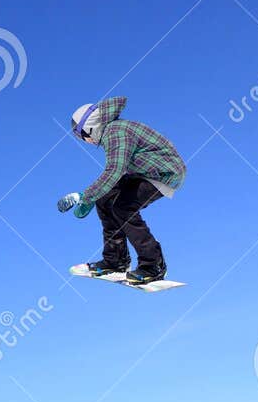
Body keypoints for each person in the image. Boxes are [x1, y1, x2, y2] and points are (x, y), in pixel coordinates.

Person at [56, 96, 186, 284]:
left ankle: (153, 265)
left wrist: (84, 196)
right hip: (145, 171)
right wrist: (93, 197)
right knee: (105, 198)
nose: (87, 141)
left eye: (82, 135)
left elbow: (115, 171)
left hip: (164, 173)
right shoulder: (112, 131)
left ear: (90, 128)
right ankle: (115, 260)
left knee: (123, 207)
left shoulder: (116, 133)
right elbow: (112, 176)